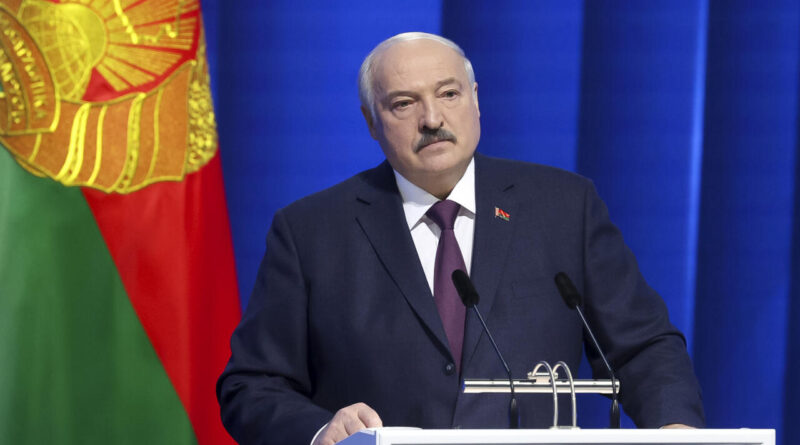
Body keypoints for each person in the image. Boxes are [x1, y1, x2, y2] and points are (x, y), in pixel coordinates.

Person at [216, 32, 705, 445]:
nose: (432, 119)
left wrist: (676, 429)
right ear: (370, 122)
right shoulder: (311, 231)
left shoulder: (563, 207)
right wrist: (323, 430)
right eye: (404, 103)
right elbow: (252, 386)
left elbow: (642, 348)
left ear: (475, 99)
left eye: (448, 94)